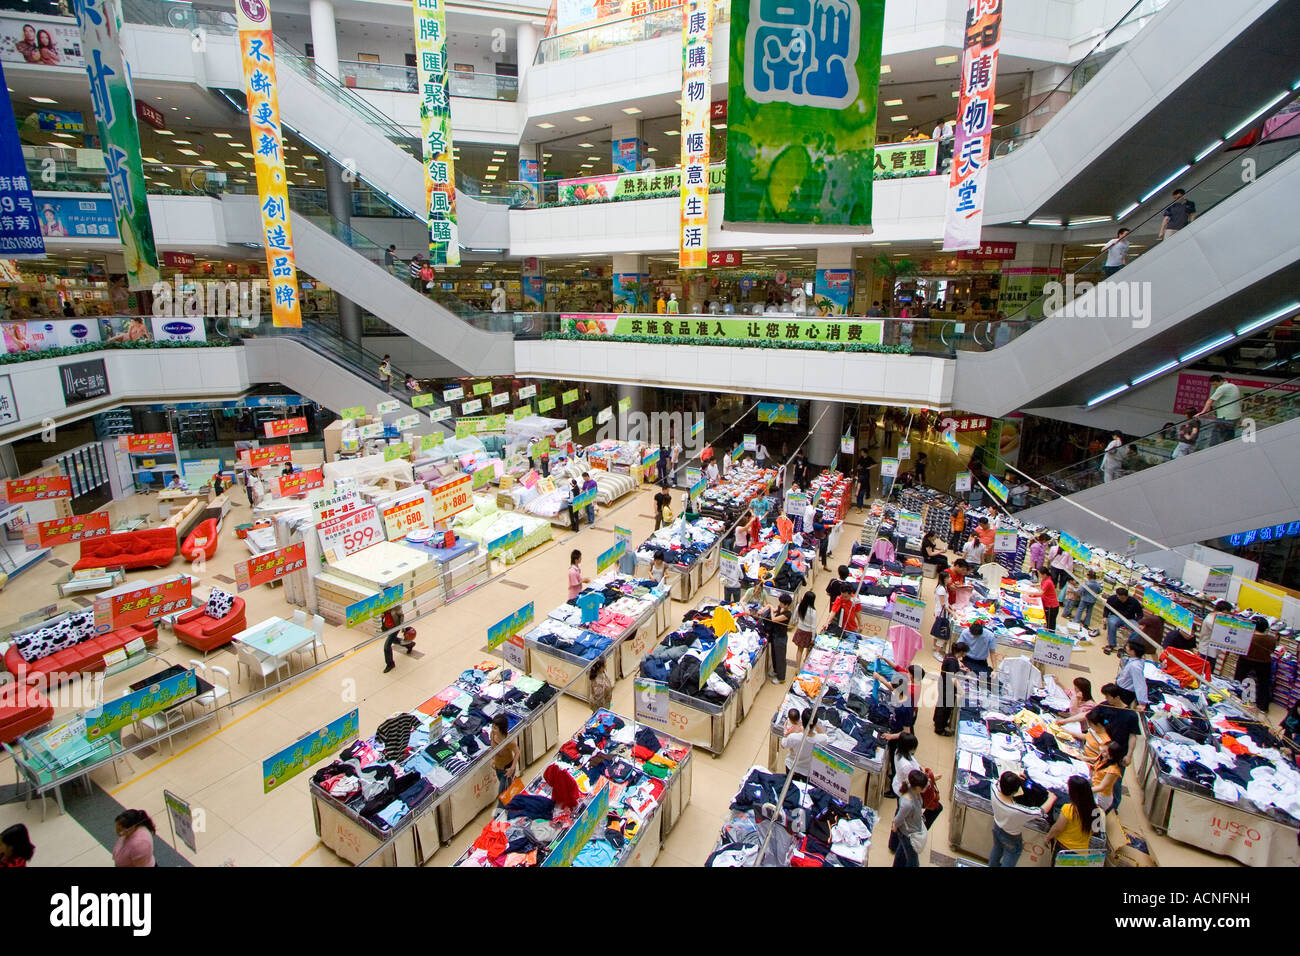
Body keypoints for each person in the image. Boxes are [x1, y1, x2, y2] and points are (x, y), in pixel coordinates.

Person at [1091, 683, 1141, 812]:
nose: (1106, 699)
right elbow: (1092, 716)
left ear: (1117, 697)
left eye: (1108, 697)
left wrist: (1129, 755)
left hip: (1119, 753)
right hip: (1105, 750)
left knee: (1116, 782)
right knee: (1099, 774)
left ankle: (1113, 809)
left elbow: (1132, 736)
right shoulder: (1105, 706)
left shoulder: (1131, 715)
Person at [990, 772, 1057, 867]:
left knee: (997, 849)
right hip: (1011, 837)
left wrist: (1014, 778)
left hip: (997, 827)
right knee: (1009, 859)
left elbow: (999, 780)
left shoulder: (993, 787)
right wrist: (1051, 798)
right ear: (1016, 791)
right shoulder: (1017, 810)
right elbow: (1040, 811)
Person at [1046, 775, 1102, 852]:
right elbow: (1095, 831)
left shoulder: (1068, 809)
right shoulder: (1097, 811)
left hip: (1064, 848)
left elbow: (1057, 828)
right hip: (1082, 852)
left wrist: (1047, 838)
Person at [1235, 616, 1279, 711]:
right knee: (1264, 684)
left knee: (1238, 679)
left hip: (1246, 659)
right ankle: (1263, 706)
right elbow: (1271, 650)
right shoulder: (1272, 639)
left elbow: (1241, 649)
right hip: (1264, 662)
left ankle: (1235, 698)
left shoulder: (1248, 637)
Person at [781, 707, 829, 782]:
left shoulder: (794, 737)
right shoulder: (820, 739)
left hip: (792, 767)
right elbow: (825, 737)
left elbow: (783, 745)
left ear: (802, 721)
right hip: (807, 771)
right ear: (815, 722)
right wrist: (815, 725)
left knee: (791, 788)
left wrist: (786, 733)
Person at [934, 641, 969, 735]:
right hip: (947, 687)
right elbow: (953, 678)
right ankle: (940, 729)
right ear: (962, 652)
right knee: (945, 708)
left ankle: (937, 722)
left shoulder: (950, 656)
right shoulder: (952, 661)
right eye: (965, 652)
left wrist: (961, 669)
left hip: (943, 683)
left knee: (941, 704)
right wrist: (961, 691)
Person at [1199, 374, 1242, 446]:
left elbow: (1210, 400)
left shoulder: (1222, 388)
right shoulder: (1233, 386)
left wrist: (1203, 412)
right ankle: (1229, 448)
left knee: (1216, 437)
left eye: (1215, 384)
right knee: (1228, 435)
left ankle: (1213, 451)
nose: (1214, 386)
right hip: (1235, 416)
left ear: (1219, 381)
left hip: (1225, 417)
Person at [1103, 586, 1142, 654]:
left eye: (1122, 598)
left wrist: (1138, 622)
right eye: (1118, 597)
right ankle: (1111, 644)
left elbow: (1140, 614)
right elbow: (1107, 608)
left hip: (1129, 619)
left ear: (1127, 596)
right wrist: (1105, 617)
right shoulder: (1112, 598)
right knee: (1112, 623)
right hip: (1115, 616)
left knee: (1138, 630)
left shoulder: (1134, 602)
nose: (1120, 599)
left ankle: (1128, 646)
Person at [765, 592, 793, 685]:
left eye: (781, 603)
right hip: (775, 635)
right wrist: (770, 606)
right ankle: (776, 671)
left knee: (780, 657)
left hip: (781, 637)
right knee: (774, 654)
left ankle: (781, 677)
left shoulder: (787, 614)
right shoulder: (780, 607)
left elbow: (774, 619)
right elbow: (775, 609)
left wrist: (771, 610)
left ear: (787, 604)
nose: (780, 604)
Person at [1196, 599, 1234, 668]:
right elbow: (1219, 631)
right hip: (1207, 650)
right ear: (1224, 611)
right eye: (1227, 614)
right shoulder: (1211, 619)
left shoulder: (1214, 617)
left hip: (1212, 650)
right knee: (1205, 670)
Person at [490, 714, 520, 796]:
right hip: (498, 768)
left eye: (495, 728)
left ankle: (501, 808)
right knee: (506, 791)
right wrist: (492, 759)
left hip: (507, 769)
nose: (493, 730)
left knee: (502, 794)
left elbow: (517, 752)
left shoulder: (509, 741)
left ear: (502, 729)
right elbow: (492, 748)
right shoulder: (492, 734)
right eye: (492, 727)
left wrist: (512, 768)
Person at [1115, 638, 1149, 710]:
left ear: (1133, 651)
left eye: (1128, 647)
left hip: (1124, 693)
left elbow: (1140, 684)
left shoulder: (1135, 666)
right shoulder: (1134, 660)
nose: (1126, 648)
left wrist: (1142, 703)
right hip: (1120, 688)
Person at [1091, 740, 1125, 811]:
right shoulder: (1104, 758)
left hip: (1101, 797)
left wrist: (1085, 790)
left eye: (1108, 753)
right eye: (1104, 751)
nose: (1105, 754)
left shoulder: (1113, 770)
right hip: (1094, 787)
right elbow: (1095, 762)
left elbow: (1101, 787)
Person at [888, 731, 922, 799]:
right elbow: (912, 781)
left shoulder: (899, 751)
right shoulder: (906, 765)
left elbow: (901, 734)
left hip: (898, 782)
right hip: (903, 789)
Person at [381, 607, 415, 673]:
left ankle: (390, 664)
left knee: (386, 647)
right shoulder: (382, 605)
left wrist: (402, 626)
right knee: (393, 640)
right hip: (388, 627)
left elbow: (401, 615)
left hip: (395, 627)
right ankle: (410, 644)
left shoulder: (396, 606)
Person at [790, 591, 818, 672]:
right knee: (808, 650)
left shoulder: (799, 606)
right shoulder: (813, 611)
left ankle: (797, 667)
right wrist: (813, 637)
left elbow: (794, 617)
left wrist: (793, 623)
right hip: (809, 632)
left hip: (800, 630)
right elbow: (813, 625)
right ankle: (806, 664)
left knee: (799, 649)